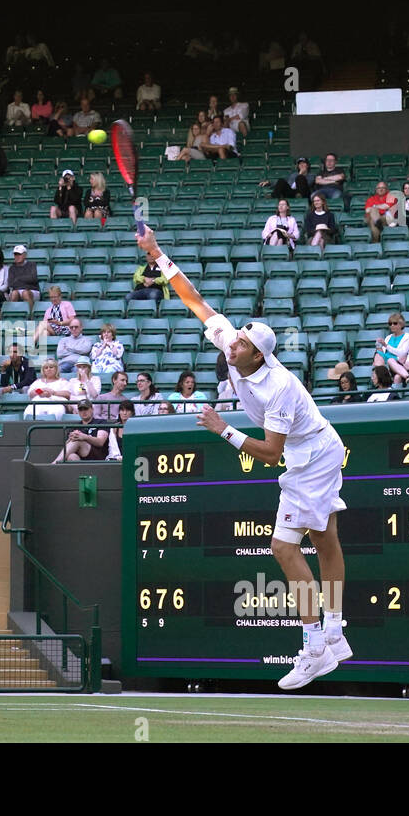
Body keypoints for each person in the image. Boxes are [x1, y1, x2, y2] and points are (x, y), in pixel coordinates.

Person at [135, 226, 350, 689]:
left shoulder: (278, 390)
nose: (231, 346)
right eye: (234, 340)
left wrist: (224, 429)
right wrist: (157, 252)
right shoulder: (236, 346)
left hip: (309, 456)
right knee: (326, 539)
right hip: (323, 447)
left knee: (282, 548)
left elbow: (270, 454)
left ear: (258, 356)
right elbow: (195, 301)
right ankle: (334, 631)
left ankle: (314, 644)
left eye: (241, 345)